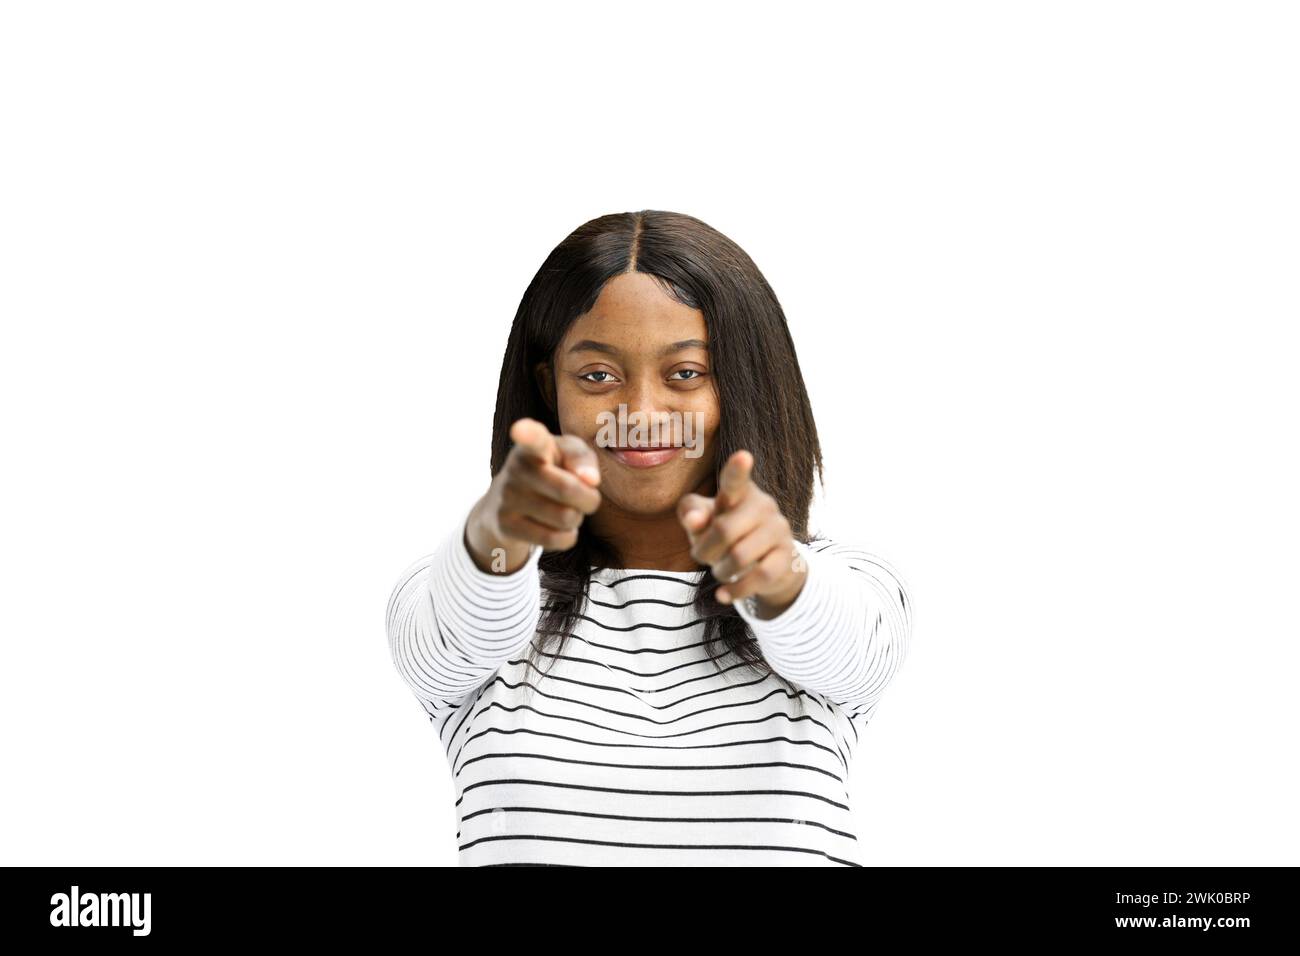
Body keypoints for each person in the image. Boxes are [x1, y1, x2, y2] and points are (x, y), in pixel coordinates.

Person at [386, 209, 912, 866]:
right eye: (599, 376)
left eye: (686, 373)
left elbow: (843, 644)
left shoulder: (852, 588)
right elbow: (463, 628)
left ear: (743, 381)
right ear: (550, 387)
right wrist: (499, 538)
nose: (642, 412)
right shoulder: (460, 593)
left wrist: (777, 578)